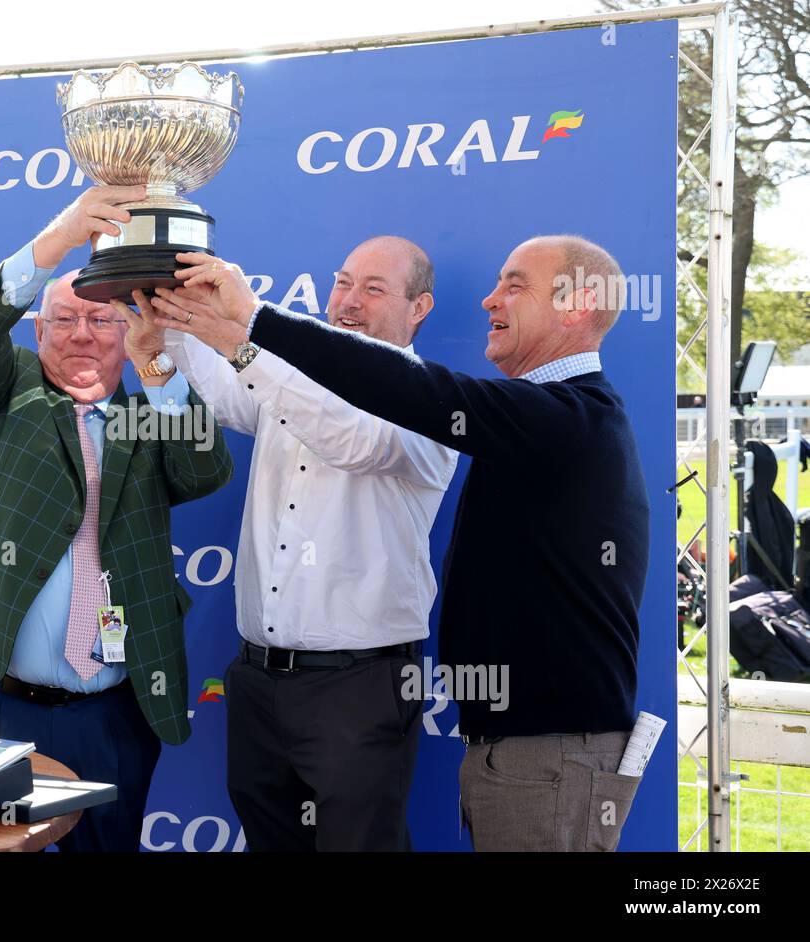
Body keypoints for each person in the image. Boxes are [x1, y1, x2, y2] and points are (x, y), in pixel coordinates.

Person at [150, 235, 650, 852]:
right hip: (513, 738)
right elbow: (248, 394)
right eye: (342, 282)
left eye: (515, 285)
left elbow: (393, 408)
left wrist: (250, 327)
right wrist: (171, 327)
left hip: (536, 741)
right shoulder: (546, 412)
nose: (492, 298)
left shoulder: (563, 415)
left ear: (579, 305)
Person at [0, 185, 235, 852]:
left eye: (102, 320)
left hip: (111, 716)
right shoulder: (7, 391)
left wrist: (159, 363)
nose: (82, 334)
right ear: (37, 329)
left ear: (129, 332)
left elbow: (204, 471)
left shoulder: (149, 409)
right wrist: (56, 240)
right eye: (63, 320)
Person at [125, 237, 457, 851]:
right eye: (342, 282)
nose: (349, 302)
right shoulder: (287, 380)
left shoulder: (432, 399)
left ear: (420, 308)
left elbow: (347, 438)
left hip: (359, 688)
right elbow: (222, 397)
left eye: (374, 289)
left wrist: (241, 341)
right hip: (257, 680)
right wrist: (164, 336)